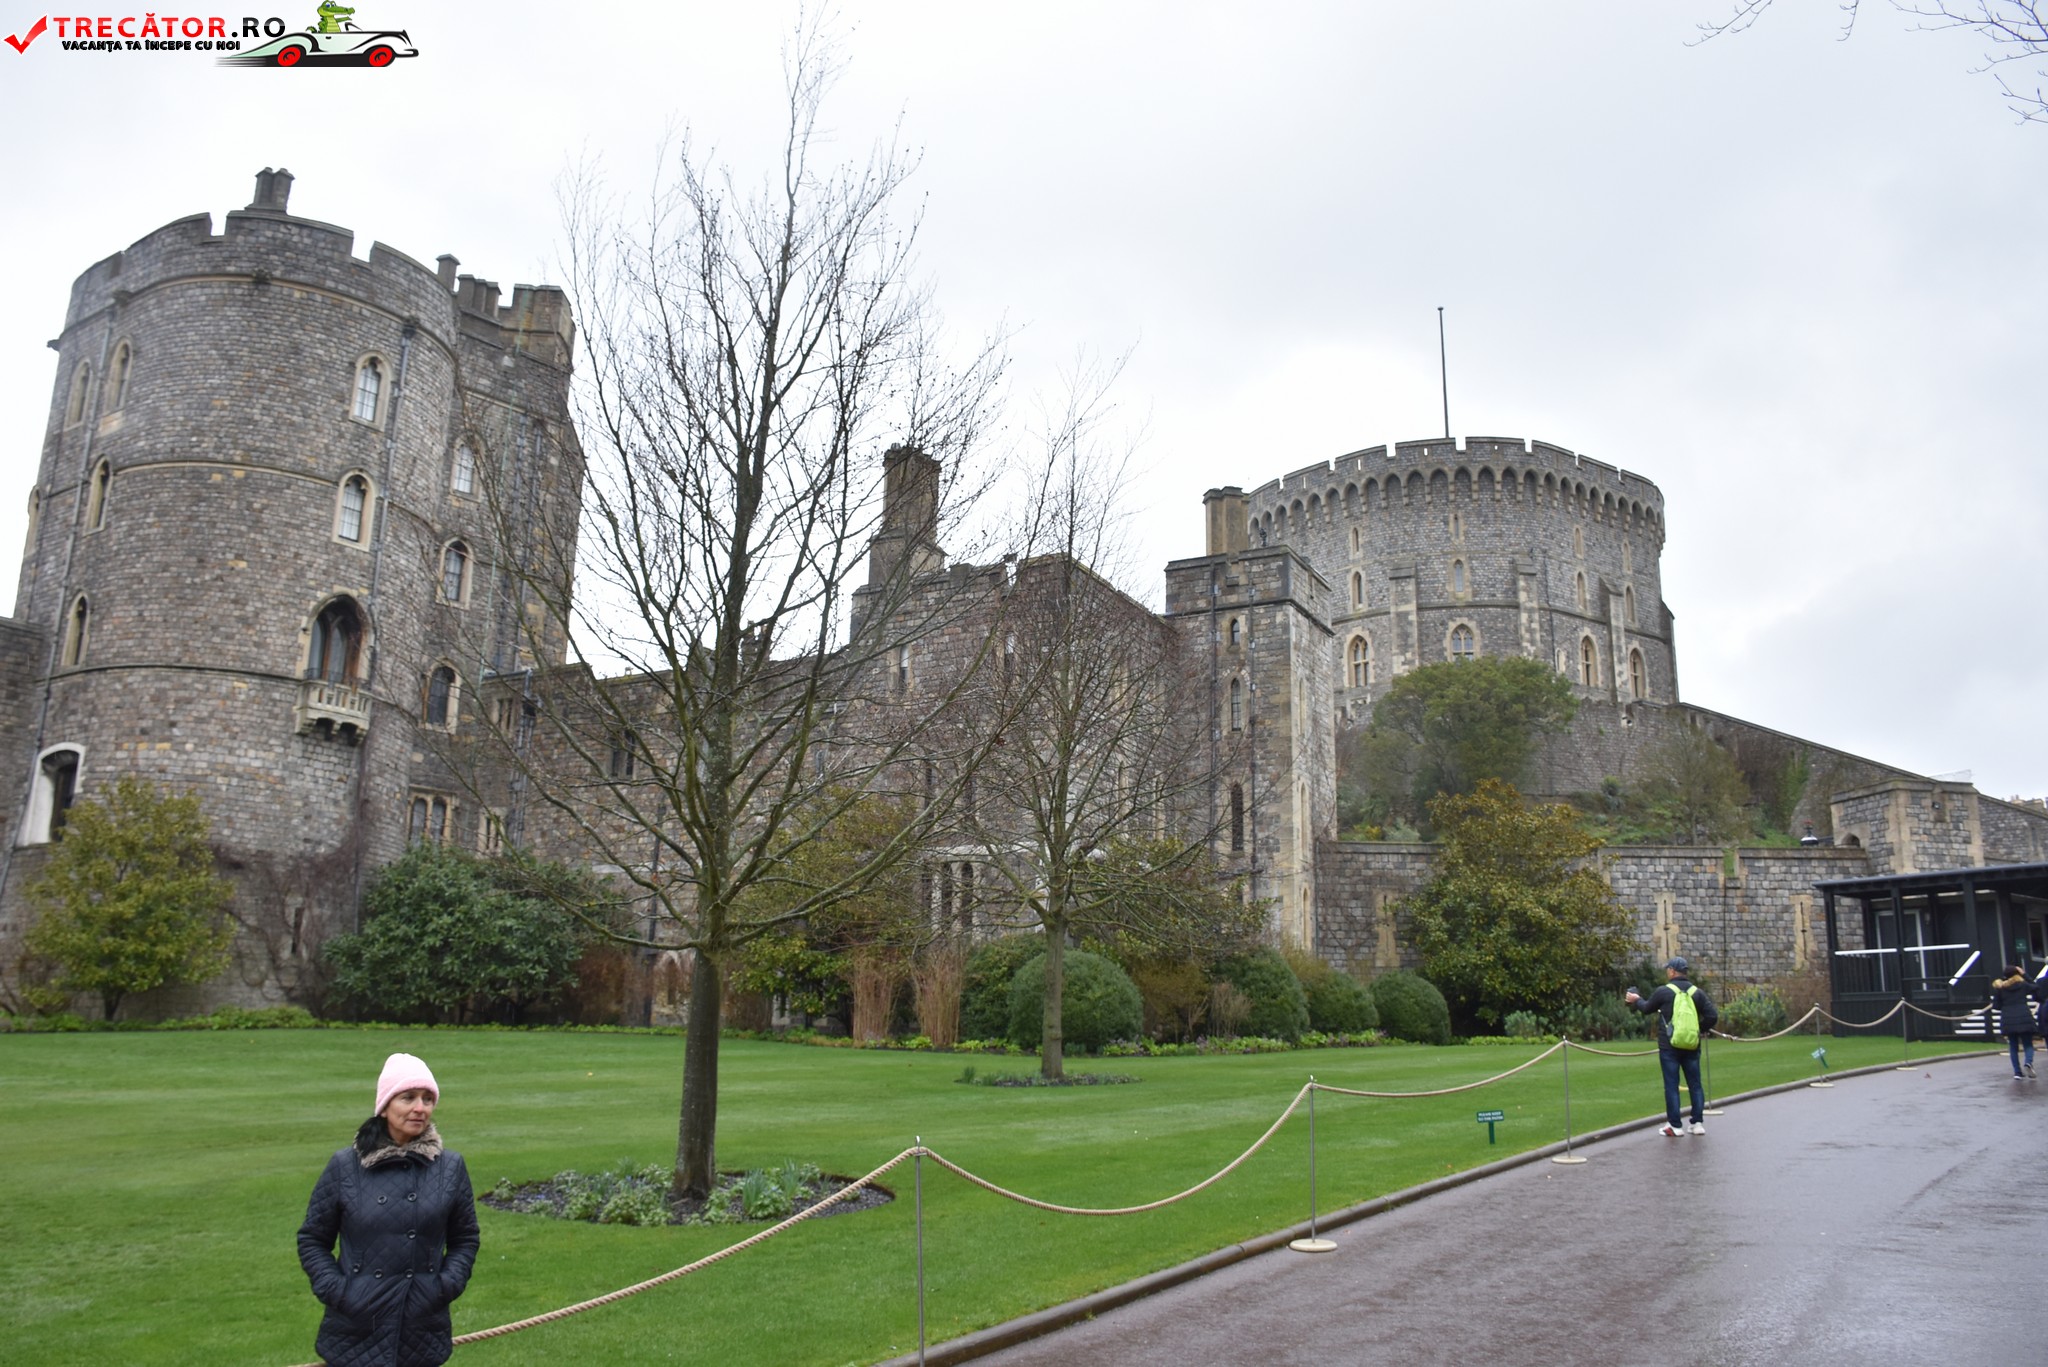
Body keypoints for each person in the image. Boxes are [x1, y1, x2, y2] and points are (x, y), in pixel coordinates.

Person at [297, 1053, 480, 1367]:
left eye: (427, 1099)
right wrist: (341, 1293)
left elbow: (465, 1238)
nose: (420, 1108)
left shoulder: (450, 1167)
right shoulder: (345, 1166)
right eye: (408, 1097)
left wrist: (443, 1287)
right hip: (355, 1329)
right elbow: (312, 1239)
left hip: (421, 1329)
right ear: (385, 1105)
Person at [1625, 957, 1719, 1137]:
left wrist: (1636, 999)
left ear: (1673, 972)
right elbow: (1712, 1016)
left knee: (1671, 1084)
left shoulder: (1664, 991)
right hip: (1691, 1044)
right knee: (1695, 1084)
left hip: (1669, 1046)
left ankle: (1675, 1125)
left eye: (1668, 969)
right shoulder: (1696, 992)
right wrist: (1699, 1030)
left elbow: (1646, 1008)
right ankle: (1697, 1123)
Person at [1989, 965, 2038, 1080]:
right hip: (2024, 1016)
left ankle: (2017, 1072)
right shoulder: (2022, 985)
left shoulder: (2000, 988)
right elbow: (2035, 987)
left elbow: (1996, 1006)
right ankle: (2028, 1062)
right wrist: (2025, 974)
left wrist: (2006, 1006)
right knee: (2028, 1043)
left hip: (2008, 1018)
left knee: (2013, 1046)